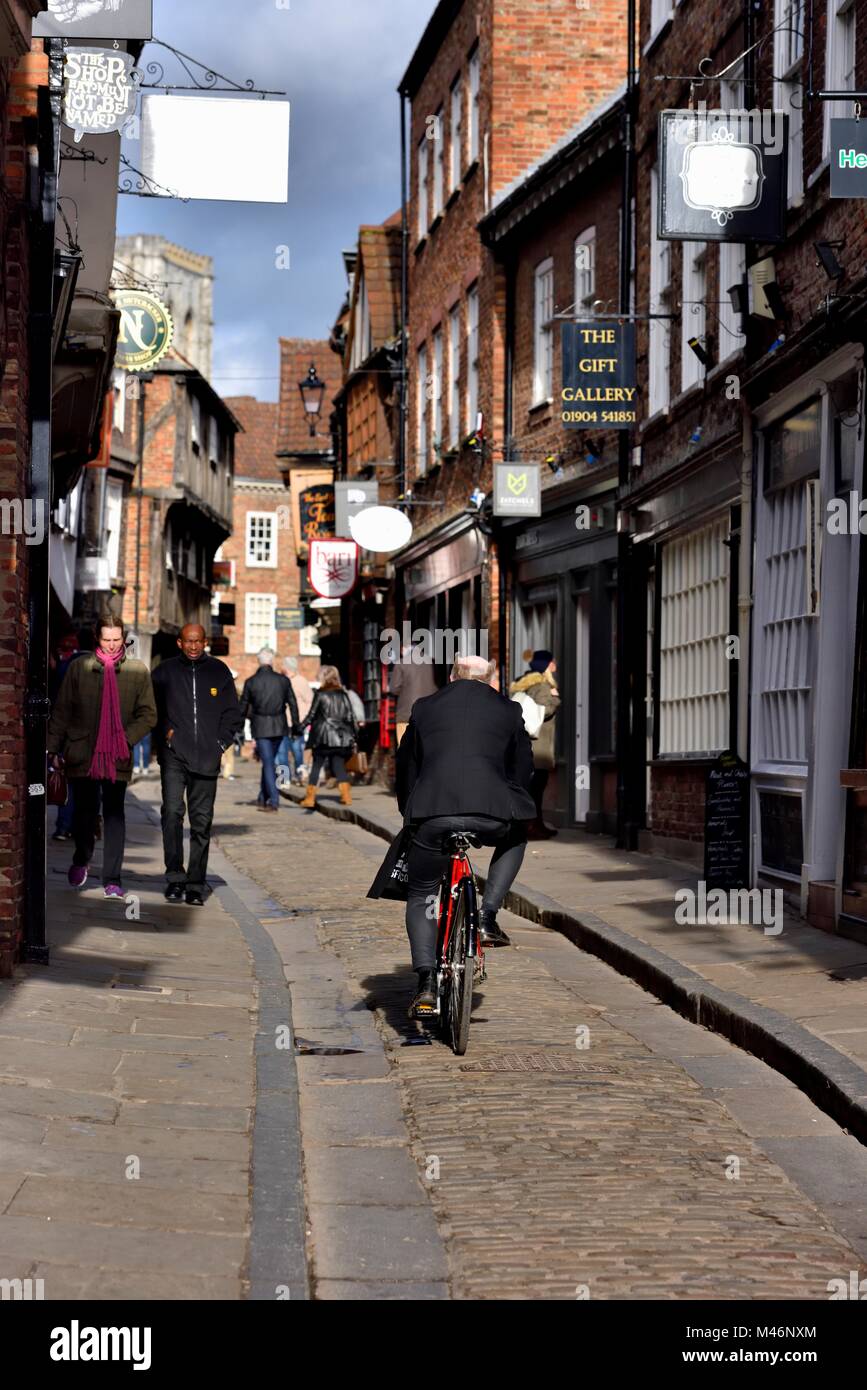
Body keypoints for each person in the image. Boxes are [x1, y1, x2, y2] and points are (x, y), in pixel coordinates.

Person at [393, 653, 535, 1016]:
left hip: (432, 812)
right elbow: (521, 768)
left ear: (453, 676)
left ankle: (425, 983)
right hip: (491, 810)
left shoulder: (424, 707)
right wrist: (511, 799)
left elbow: (406, 764)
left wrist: (408, 810)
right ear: (489, 679)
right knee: (516, 836)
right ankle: (487, 916)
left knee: (423, 891)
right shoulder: (508, 710)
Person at [46, 614, 157, 899]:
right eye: (106, 639)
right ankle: (82, 858)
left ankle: (112, 878)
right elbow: (62, 711)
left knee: (114, 814)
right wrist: (53, 749)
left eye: (116, 640)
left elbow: (148, 715)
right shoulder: (78, 668)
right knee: (84, 813)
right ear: (97, 638)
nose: (111, 645)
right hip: (82, 751)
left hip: (117, 754)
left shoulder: (138, 671)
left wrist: (125, 738)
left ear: (124, 639)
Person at [151, 623, 242, 905]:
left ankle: (195, 883)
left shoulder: (219, 671)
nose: (193, 646)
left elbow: (233, 713)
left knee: (201, 823)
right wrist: (165, 731)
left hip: (206, 757)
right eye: (188, 641)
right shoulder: (164, 672)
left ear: (205, 642)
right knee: (172, 814)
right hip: (174, 756)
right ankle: (175, 877)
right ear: (179, 643)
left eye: (198, 641)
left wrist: (220, 744)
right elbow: (150, 708)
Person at [239, 648, 300, 812]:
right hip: (279, 725)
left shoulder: (251, 682)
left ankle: (273, 800)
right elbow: (293, 704)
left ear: (259, 661)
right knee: (269, 761)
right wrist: (296, 726)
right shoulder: (283, 681)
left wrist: (237, 727)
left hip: (261, 726)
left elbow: (243, 706)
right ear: (271, 661)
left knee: (268, 763)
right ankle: (262, 796)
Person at [509, 649, 561, 839]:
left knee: (532, 788)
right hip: (538, 745)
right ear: (546, 666)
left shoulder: (523, 682)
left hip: (528, 744)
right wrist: (555, 698)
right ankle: (532, 826)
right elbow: (543, 710)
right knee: (536, 788)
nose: (554, 666)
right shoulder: (542, 685)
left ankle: (535, 824)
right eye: (552, 663)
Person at [300, 665, 358, 809]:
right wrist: (355, 735)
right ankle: (346, 796)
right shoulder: (343, 694)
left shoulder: (320, 694)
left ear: (324, 677)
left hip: (322, 737)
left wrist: (299, 727)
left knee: (316, 766)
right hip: (340, 737)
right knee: (339, 767)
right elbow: (351, 716)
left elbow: (312, 715)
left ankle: (310, 798)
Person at [48, 630, 83, 841]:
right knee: (83, 785)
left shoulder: (62, 669)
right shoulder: (81, 667)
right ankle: (79, 826)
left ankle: (63, 827)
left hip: (65, 735)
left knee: (66, 781)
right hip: (81, 734)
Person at [390, 641, 437, 748]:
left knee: (405, 749)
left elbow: (394, 688)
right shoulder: (429, 661)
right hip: (428, 713)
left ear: (403, 648)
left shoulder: (401, 663)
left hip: (406, 714)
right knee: (425, 748)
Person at [276, 656, 312, 783]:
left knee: (297, 752)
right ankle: (285, 779)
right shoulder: (281, 680)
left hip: (297, 724)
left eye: (282, 665)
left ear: (287, 667)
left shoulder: (301, 681)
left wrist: (304, 720)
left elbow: (309, 701)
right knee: (282, 754)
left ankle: (300, 776)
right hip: (282, 723)